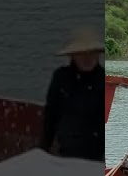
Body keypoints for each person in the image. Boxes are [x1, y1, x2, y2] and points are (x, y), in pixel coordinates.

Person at [40, 27, 104, 162]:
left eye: (92, 53)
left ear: (98, 55)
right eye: (82, 54)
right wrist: (43, 149)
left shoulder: (105, 80)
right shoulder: (61, 77)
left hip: (96, 153)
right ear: (73, 55)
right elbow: (51, 115)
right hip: (65, 150)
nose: (87, 58)